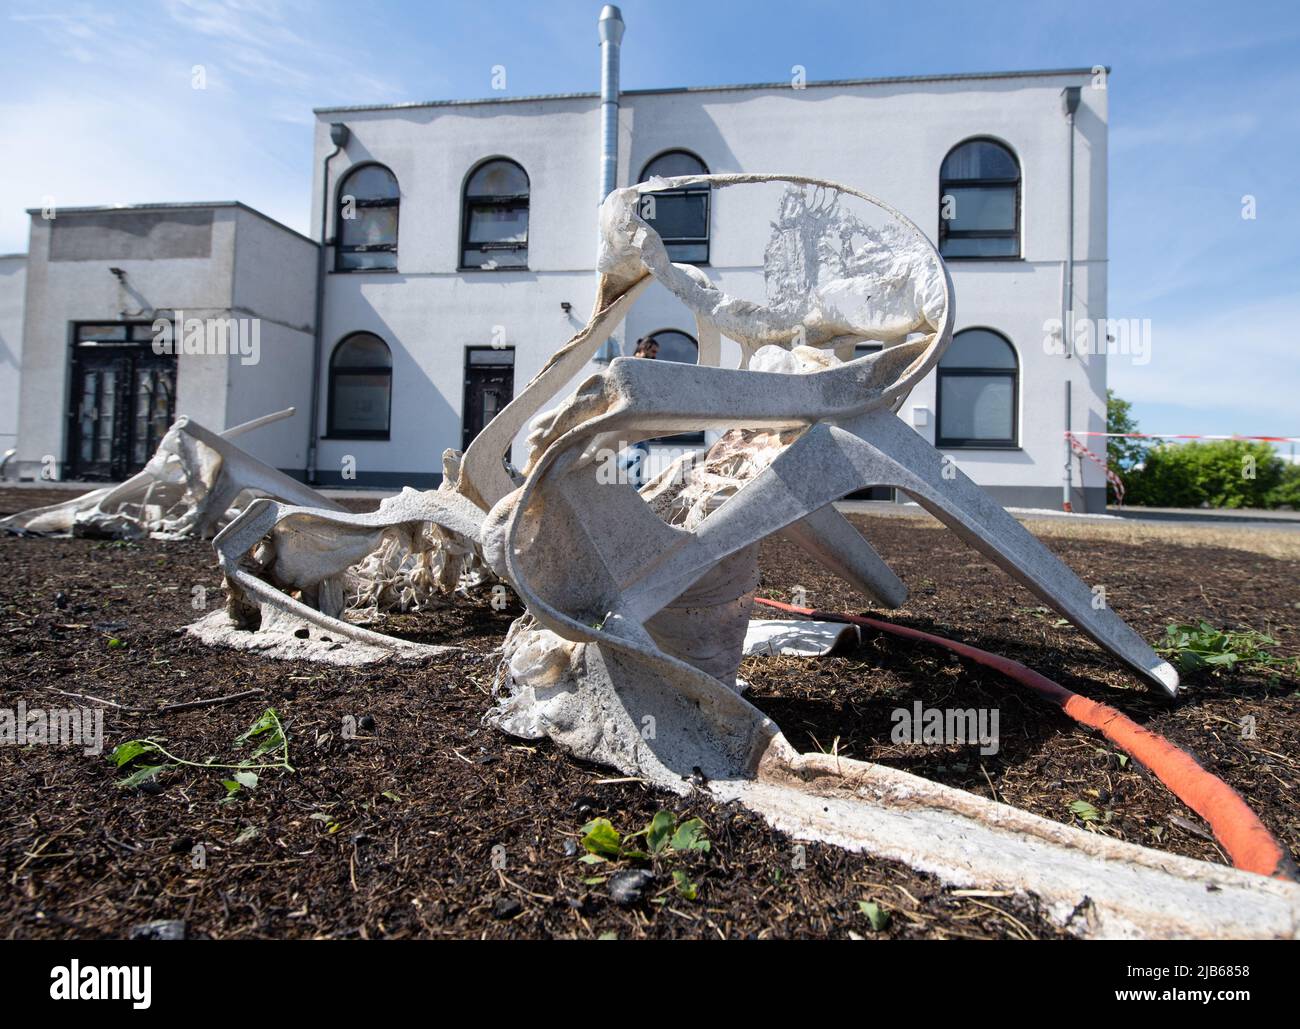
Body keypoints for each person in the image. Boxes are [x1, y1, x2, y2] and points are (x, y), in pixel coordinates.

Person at [621, 336, 657, 487]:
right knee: (639, 451)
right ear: (644, 349)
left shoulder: (645, 366)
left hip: (642, 415)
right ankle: (637, 486)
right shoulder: (632, 364)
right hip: (633, 415)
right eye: (653, 351)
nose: (655, 355)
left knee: (642, 451)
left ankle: (614, 470)